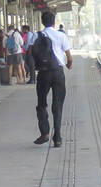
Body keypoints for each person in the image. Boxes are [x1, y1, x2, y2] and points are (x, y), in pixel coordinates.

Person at [31, 11, 72, 147]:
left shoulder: (36, 36)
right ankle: (58, 137)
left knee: (41, 103)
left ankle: (45, 133)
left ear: (42, 22)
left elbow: (32, 55)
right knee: (58, 104)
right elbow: (69, 57)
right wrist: (68, 65)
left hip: (43, 73)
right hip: (58, 72)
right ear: (54, 22)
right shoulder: (61, 35)